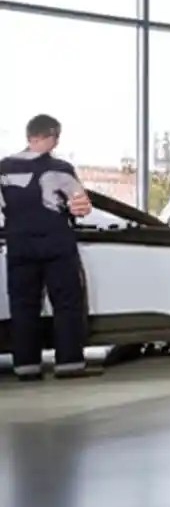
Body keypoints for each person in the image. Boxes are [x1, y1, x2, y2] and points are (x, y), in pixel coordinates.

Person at [0, 114, 95, 381]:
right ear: (52, 137)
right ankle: (69, 364)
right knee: (66, 303)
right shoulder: (61, 169)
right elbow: (82, 207)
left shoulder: (3, 169)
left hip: (19, 245)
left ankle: (26, 367)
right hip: (56, 244)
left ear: (29, 137)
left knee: (23, 305)